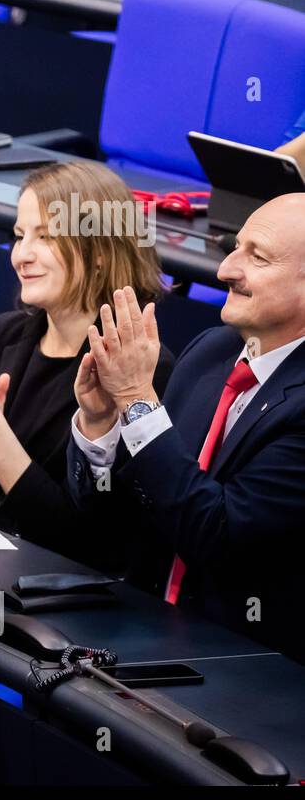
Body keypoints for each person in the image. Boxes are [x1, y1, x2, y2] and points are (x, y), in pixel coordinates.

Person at [67, 193, 305, 663]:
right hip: (140, 627)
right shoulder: (211, 352)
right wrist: (102, 426)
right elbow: (125, 523)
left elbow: (216, 537)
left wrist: (137, 400)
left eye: (257, 257)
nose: (226, 270)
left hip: (246, 667)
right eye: (235, 248)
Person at [0, 162, 173, 568]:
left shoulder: (138, 366)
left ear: (101, 253)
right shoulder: (8, 333)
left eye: (46, 237)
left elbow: (67, 535)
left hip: (66, 591)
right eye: (19, 237)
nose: (22, 255)